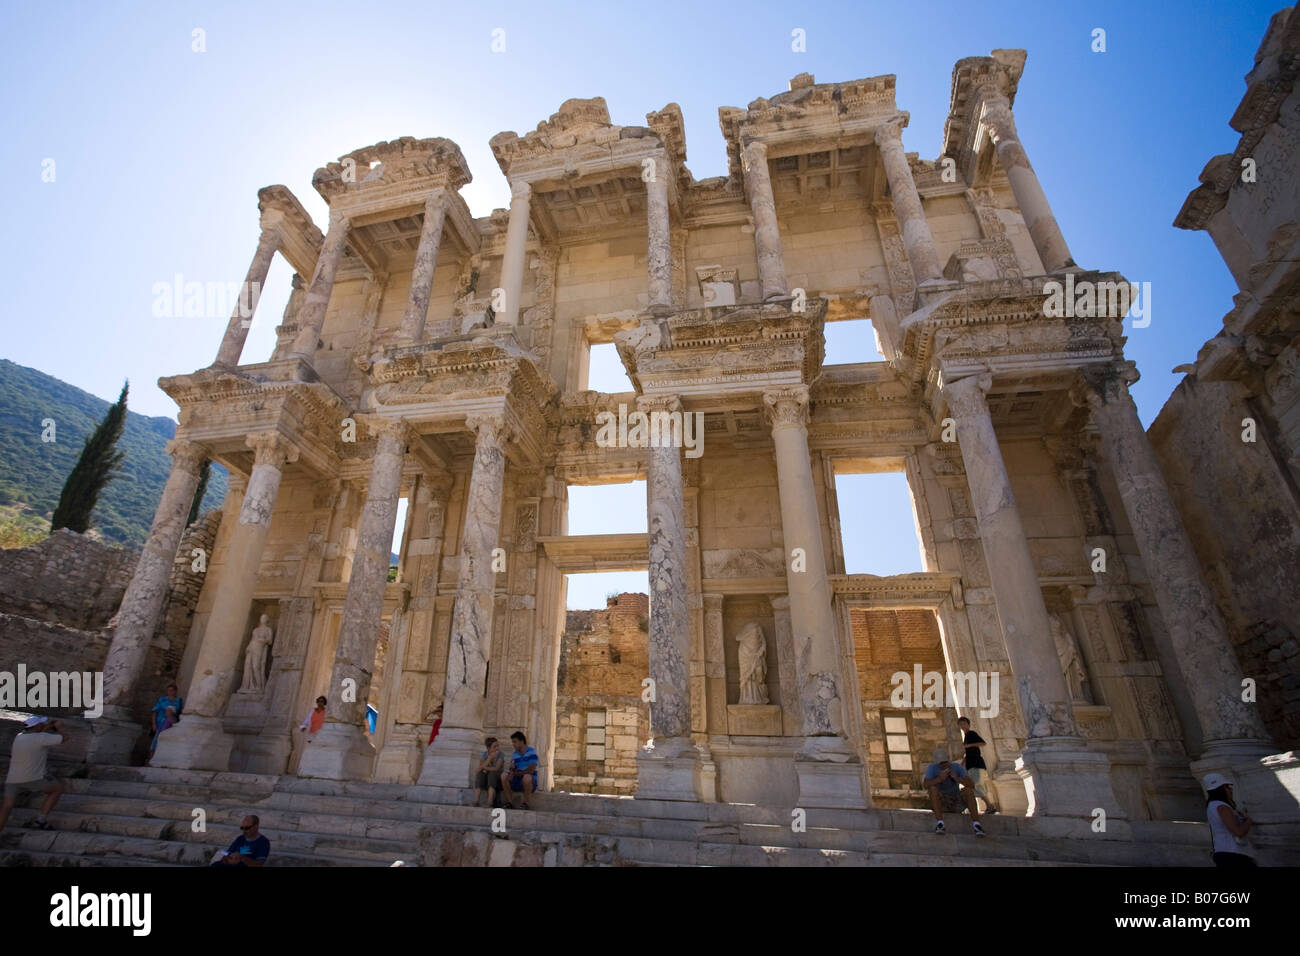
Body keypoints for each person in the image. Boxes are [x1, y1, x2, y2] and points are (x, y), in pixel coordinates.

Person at [0, 717, 67, 833]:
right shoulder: (41, 738)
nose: (43, 724)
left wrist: (46, 727)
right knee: (58, 788)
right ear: (36, 726)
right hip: (32, 778)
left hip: (12, 779)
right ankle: (40, 820)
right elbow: (65, 738)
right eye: (41, 723)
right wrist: (60, 727)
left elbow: (36, 736)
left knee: (6, 806)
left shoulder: (19, 736)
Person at [923, 747, 985, 836]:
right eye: (941, 763)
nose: (944, 765)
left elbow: (971, 784)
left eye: (945, 762)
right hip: (942, 801)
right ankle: (940, 823)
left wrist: (957, 779)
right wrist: (939, 779)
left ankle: (976, 825)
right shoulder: (932, 768)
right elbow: (926, 784)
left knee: (968, 790)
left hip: (956, 799)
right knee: (933, 789)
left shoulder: (956, 767)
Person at [1203, 773, 1256, 868]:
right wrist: (1248, 820)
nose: (1231, 789)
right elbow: (1238, 832)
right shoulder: (1222, 807)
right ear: (1219, 790)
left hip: (1228, 854)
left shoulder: (1213, 805)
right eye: (1227, 787)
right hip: (1232, 855)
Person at [957, 716, 998, 813]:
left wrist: (969, 745)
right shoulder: (966, 736)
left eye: (964, 723)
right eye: (960, 724)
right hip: (971, 765)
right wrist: (962, 763)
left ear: (968, 724)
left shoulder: (971, 733)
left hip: (976, 764)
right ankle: (984, 806)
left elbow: (983, 743)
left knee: (976, 786)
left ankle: (990, 806)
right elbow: (968, 752)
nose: (962, 726)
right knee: (972, 786)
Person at [501, 731, 539, 810]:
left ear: (522, 741)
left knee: (527, 777)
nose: (513, 744)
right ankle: (510, 803)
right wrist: (511, 771)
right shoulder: (515, 754)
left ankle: (525, 803)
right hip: (518, 780)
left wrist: (515, 774)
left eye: (515, 742)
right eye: (512, 742)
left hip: (530, 782)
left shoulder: (531, 751)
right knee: (504, 775)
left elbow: (531, 770)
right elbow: (512, 767)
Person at [474, 737, 505, 808]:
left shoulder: (500, 754)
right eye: (494, 746)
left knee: (492, 773)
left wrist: (484, 767)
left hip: (497, 780)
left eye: (498, 745)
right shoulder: (484, 755)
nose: (497, 748)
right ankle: (476, 800)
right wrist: (489, 759)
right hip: (486, 780)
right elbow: (478, 770)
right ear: (488, 748)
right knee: (480, 774)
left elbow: (496, 768)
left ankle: (489, 801)